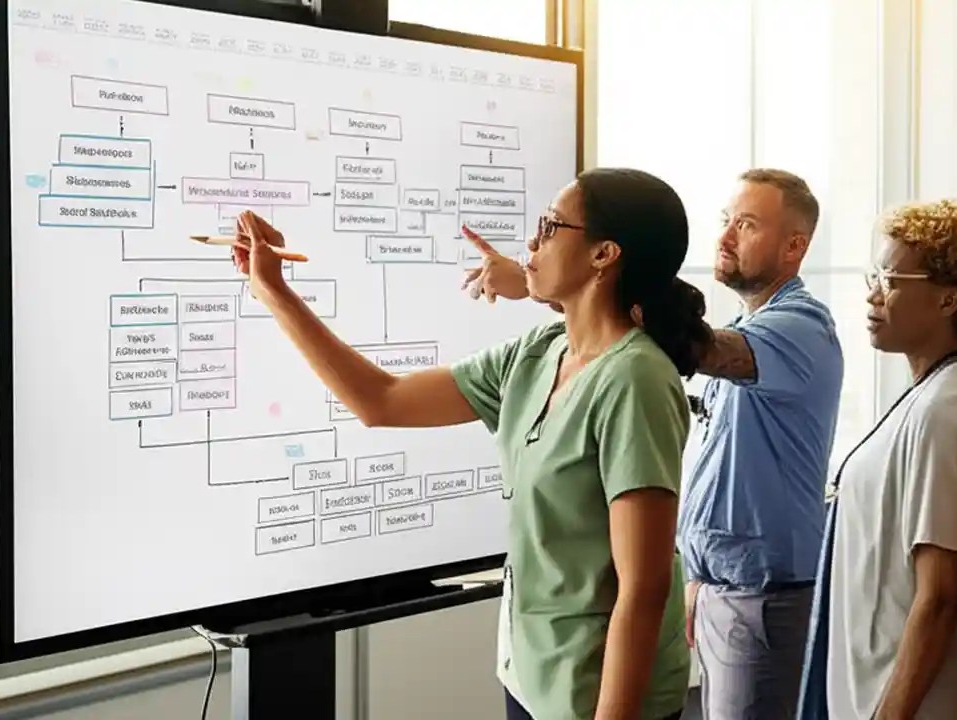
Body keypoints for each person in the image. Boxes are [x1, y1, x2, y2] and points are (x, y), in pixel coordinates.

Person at [232, 167, 714, 720]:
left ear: (604, 254)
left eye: (551, 226)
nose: (532, 241)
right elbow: (380, 400)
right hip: (533, 675)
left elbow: (645, 588)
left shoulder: (636, 380)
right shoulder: (537, 353)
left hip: (601, 696)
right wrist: (274, 292)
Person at [463, 167, 844, 719]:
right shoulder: (754, 320)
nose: (725, 237)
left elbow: (693, 346)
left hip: (764, 600)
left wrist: (541, 285)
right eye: (725, 221)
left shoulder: (801, 326)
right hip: (720, 591)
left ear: (795, 245)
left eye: (747, 224)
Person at [799, 198, 957, 720]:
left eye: (890, 279)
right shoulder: (931, 393)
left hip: (919, 702)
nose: (872, 294)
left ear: (947, 300)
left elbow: (941, 595)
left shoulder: (947, 408)